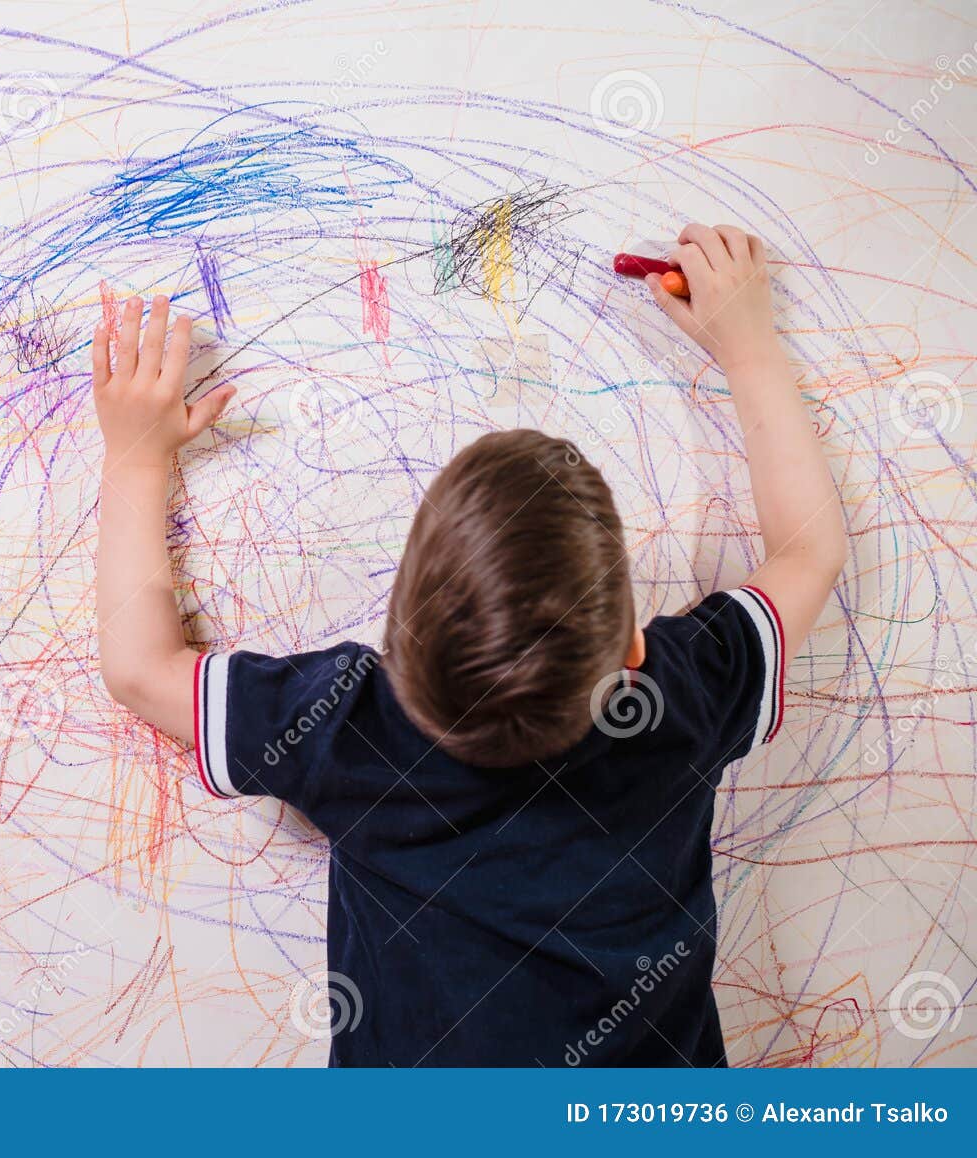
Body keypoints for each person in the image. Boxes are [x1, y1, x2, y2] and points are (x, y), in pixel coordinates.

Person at [90, 223, 846, 1066]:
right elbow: (810, 550)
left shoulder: (352, 728)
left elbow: (137, 667)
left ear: (395, 644)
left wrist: (134, 455)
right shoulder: (677, 704)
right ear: (632, 647)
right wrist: (746, 345)